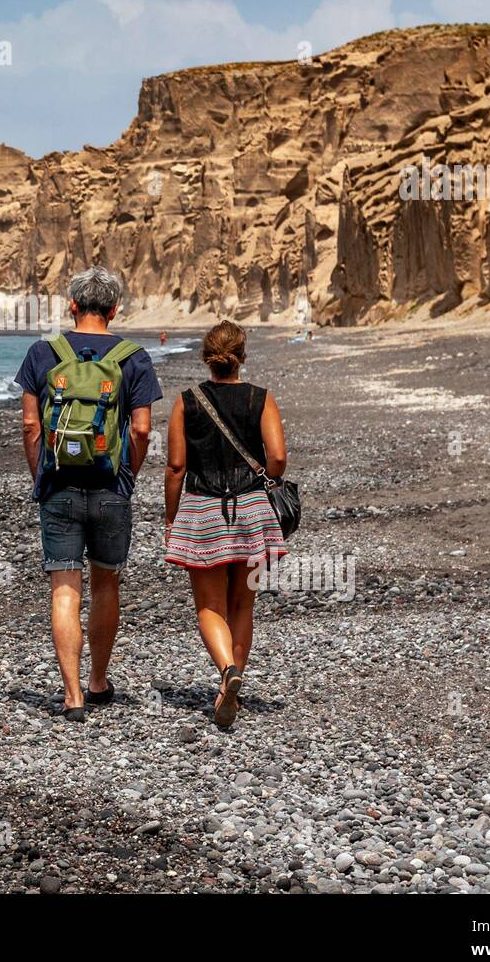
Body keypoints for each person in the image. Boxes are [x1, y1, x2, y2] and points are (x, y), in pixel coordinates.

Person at [16, 268, 163, 721]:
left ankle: (72, 695)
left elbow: (29, 425)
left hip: (58, 485)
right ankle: (99, 681)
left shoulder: (43, 352)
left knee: (64, 590)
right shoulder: (133, 357)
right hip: (110, 488)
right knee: (106, 584)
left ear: (72, 306)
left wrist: (41, 476)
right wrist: (127, 479)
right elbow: (140, 429)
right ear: (115, 309)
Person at [163, 321, 288, 730]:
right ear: (242, 355)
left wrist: (170, 518)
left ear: (207, 357)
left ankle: (226, 672)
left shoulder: (187, 402)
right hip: (252, 510)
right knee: (243, 605)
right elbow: (279, 458)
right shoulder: (261, 399)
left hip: (203, 510)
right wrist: (258, 481)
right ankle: (231, 683)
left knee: (209, 606)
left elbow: (177, 466)